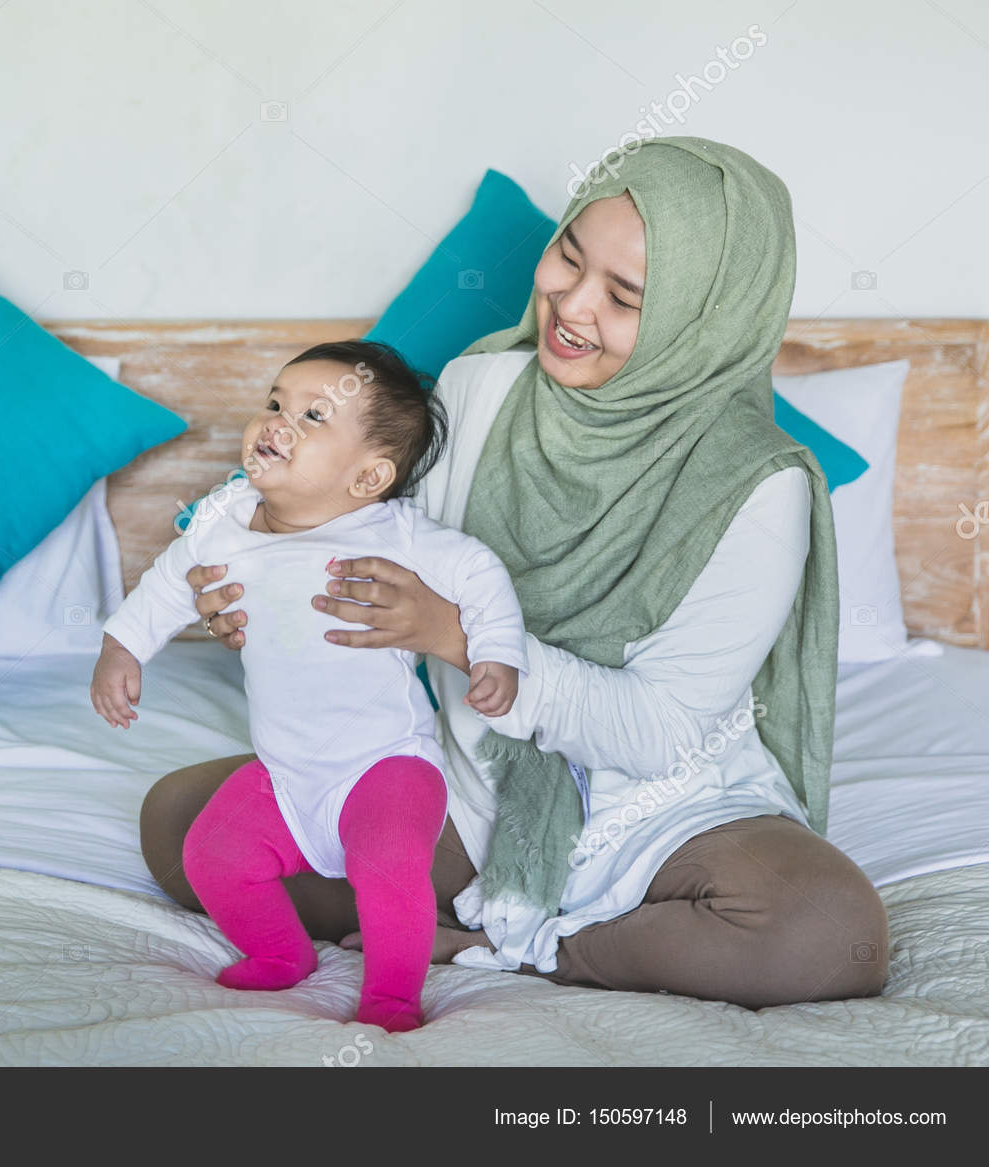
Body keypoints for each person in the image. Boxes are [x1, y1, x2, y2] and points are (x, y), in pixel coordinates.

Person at [138, 137, 890, 1011]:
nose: (570, 305)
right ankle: (457, 902)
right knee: (181, 824)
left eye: (625, 296)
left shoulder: (759, 484)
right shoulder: (479, 388)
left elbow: (659, 731)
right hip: (470, 781)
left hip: (658, 803)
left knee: (833, 934)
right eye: (569, 255)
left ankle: (538, 946)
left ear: (703, 322)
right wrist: (250, 580)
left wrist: (452, 634)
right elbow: (348, 520)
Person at [92, 340, 527, 1029]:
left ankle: (390, 994)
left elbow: (479, 575)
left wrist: (497, 656)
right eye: (276, 403)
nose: (279, 421)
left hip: (386, 762)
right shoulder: (225, 521)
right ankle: (280, 954)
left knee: (390, 863)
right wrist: (123, 647)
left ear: (366, 476)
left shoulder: (393, 533)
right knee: (211, 852)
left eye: (314, 416)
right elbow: (171, 585)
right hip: (286, 772)